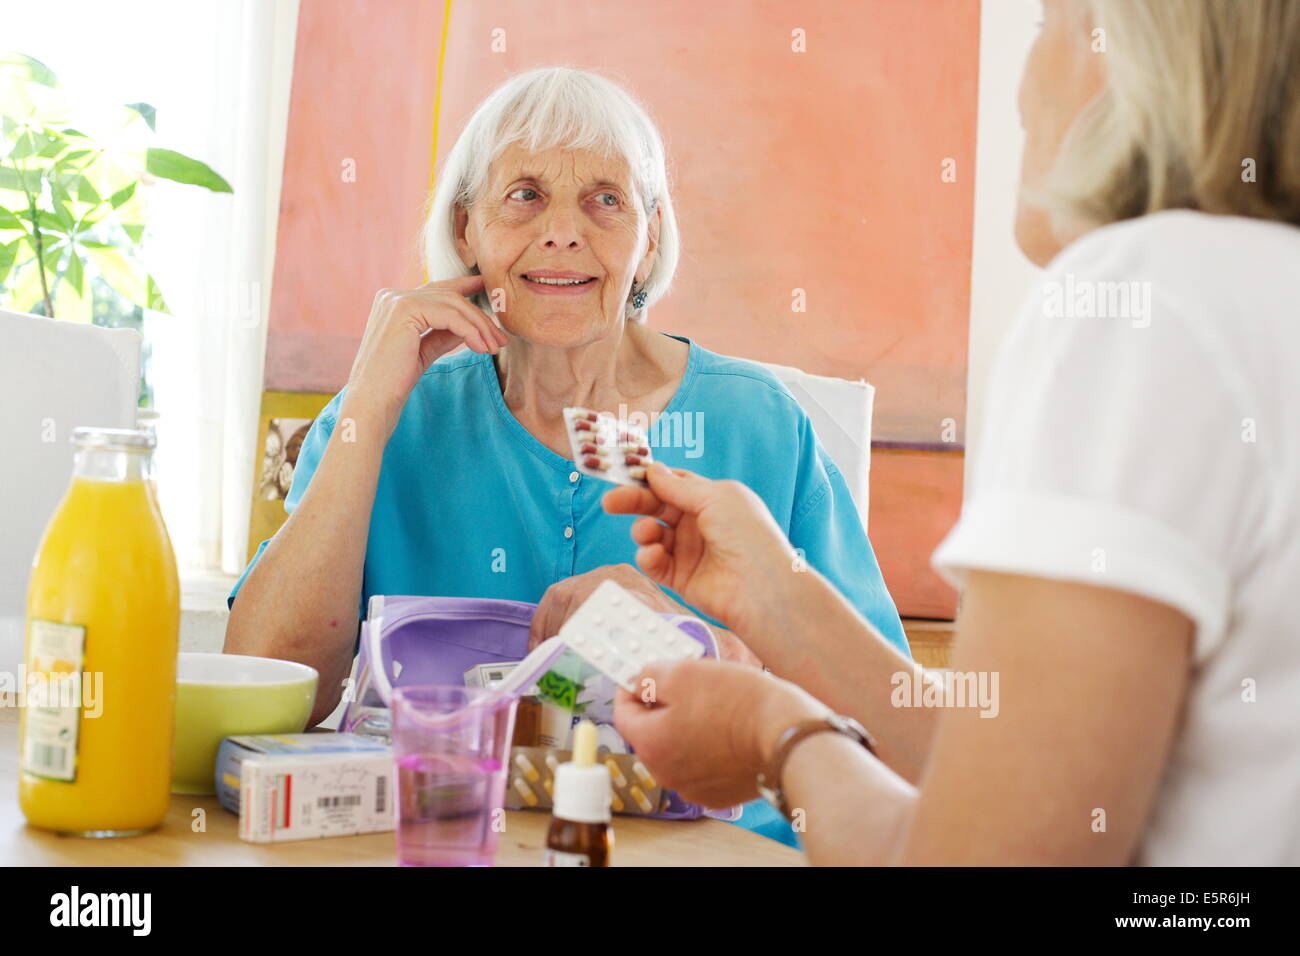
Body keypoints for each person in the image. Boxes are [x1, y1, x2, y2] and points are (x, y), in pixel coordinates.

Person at [609, 0, 1300, 865]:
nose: (1018, 88)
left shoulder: (1145, 300)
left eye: (1049, 23)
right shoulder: (1260, 293)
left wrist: (775, 733)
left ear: (1134, 52)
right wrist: (781, 599)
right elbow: (1031, 784)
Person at [223, 67, 907, 845]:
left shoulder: (759, 426)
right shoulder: (391, 417)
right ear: (464, 230)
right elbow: (271, 692)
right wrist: (367, 411)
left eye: (605, 200)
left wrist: (702, 652)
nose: (562, 231)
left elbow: (886, 740)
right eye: (524, 195)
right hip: (440, 851)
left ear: (648, 239)